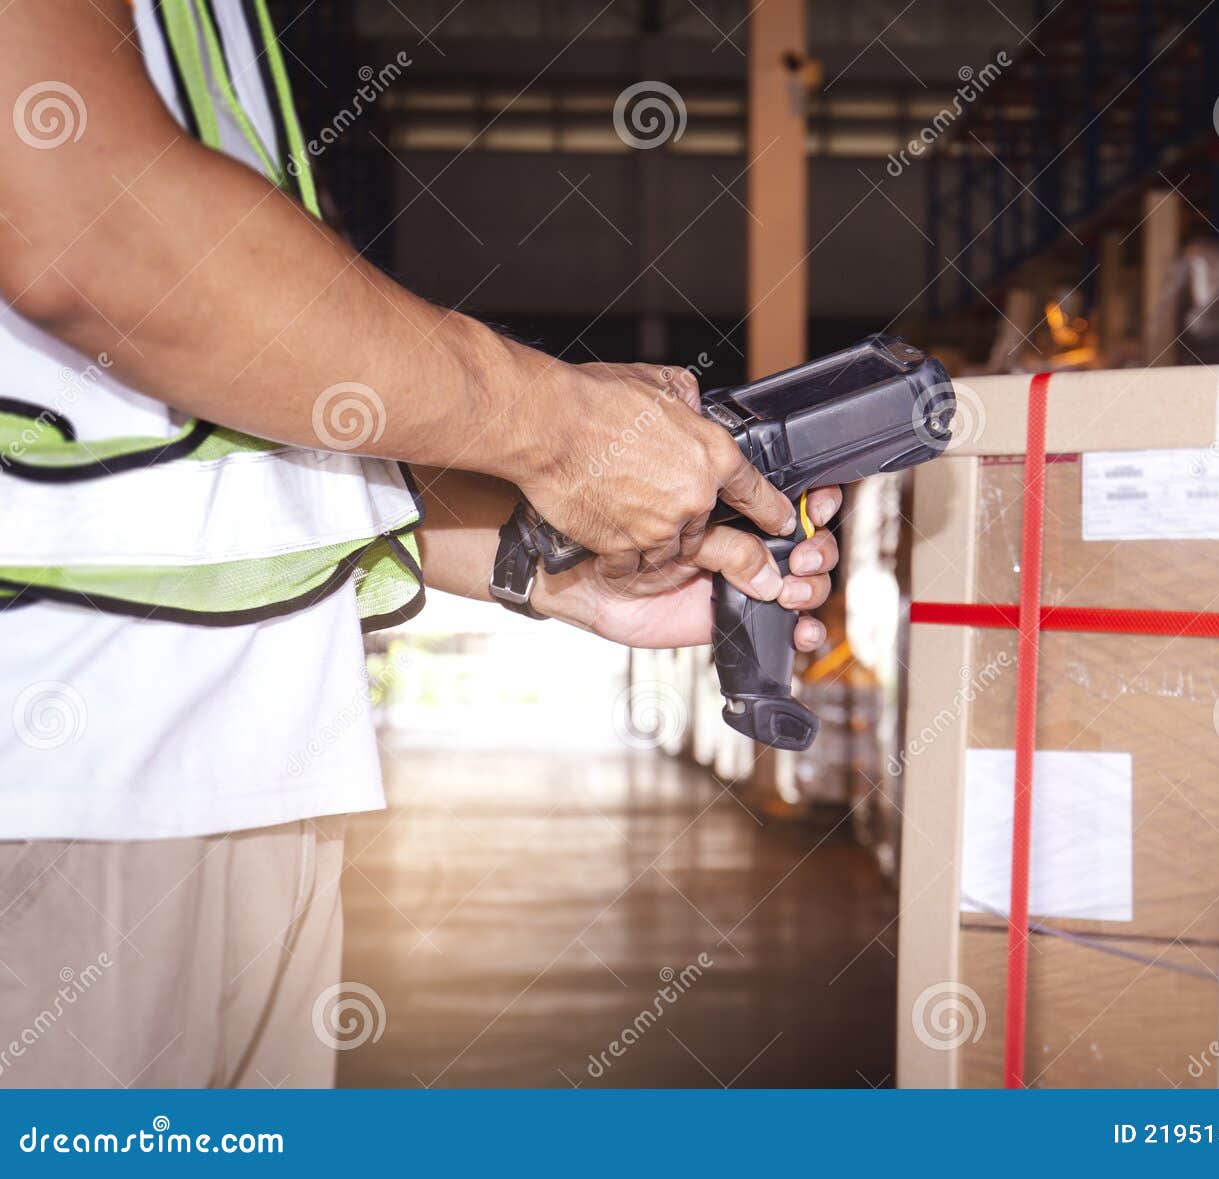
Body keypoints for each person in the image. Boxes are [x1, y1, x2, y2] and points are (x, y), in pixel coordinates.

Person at [0, 0, 840, 1087]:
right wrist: (560, 427)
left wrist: (540, 564)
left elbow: (236, 417)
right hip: (67, 768)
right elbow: (88, 228)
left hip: (241, 778)